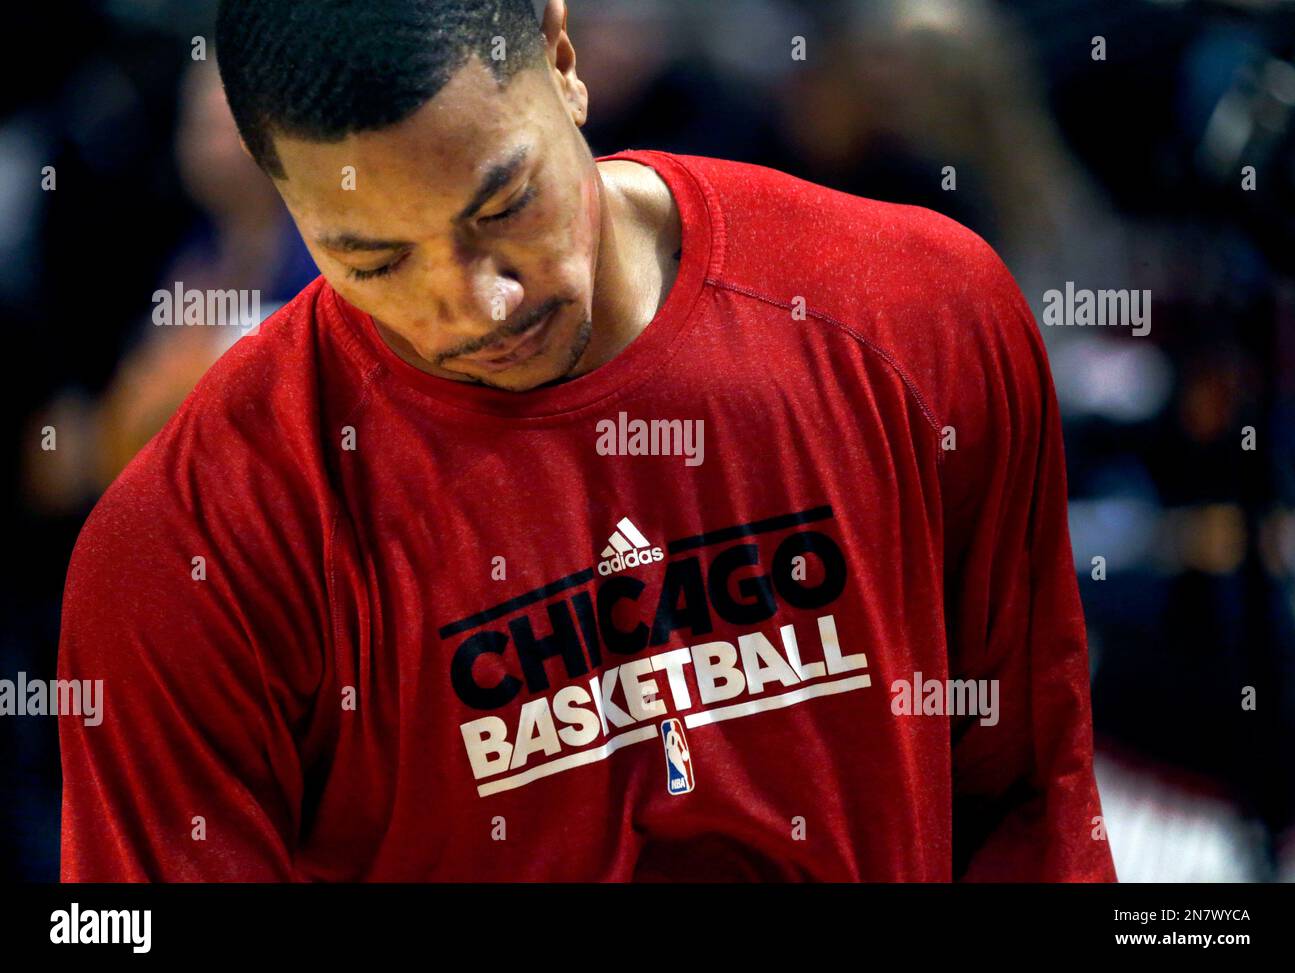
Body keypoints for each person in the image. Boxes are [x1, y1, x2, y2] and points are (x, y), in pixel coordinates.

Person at [57, 0, 1117, 881]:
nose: (473, 304)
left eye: (503, 205)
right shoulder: (187, 545)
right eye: (373, 262)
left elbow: (1034, 803)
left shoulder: (916, 315)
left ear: (562, 59)